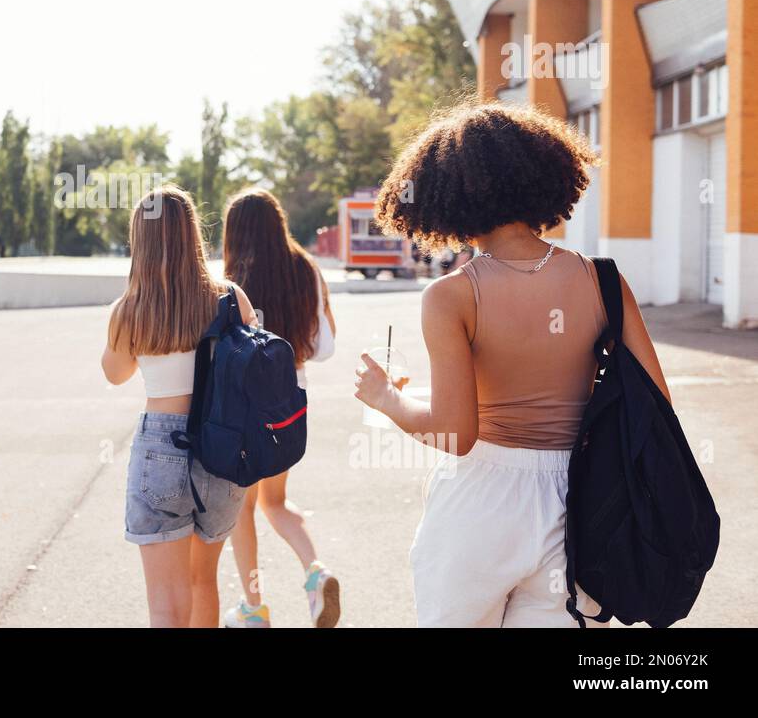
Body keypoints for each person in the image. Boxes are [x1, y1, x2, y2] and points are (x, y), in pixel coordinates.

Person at [354, 103, 671, 627]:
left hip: (480, 504)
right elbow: (656, 406)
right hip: (584, 503)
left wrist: (386, 397)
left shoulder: (453, 296)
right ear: (543, 176)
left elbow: (455, 435)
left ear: (445, 195)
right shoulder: (605, 282)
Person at [102, 185, 258, 627]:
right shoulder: (229, 296)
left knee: (166, 604)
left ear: (140, 240)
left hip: (160, 445)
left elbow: (115, 374)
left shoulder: (130, 308)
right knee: (202, 581)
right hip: (222, 443)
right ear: (193, 233)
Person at [220, 188, 340, 628]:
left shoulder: (230, 282)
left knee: (243, 510)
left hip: (243, 411)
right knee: (276, 503)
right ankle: (316, 574)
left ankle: (253, 609)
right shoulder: (307, 269)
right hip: (291, 402)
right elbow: (322, 348)